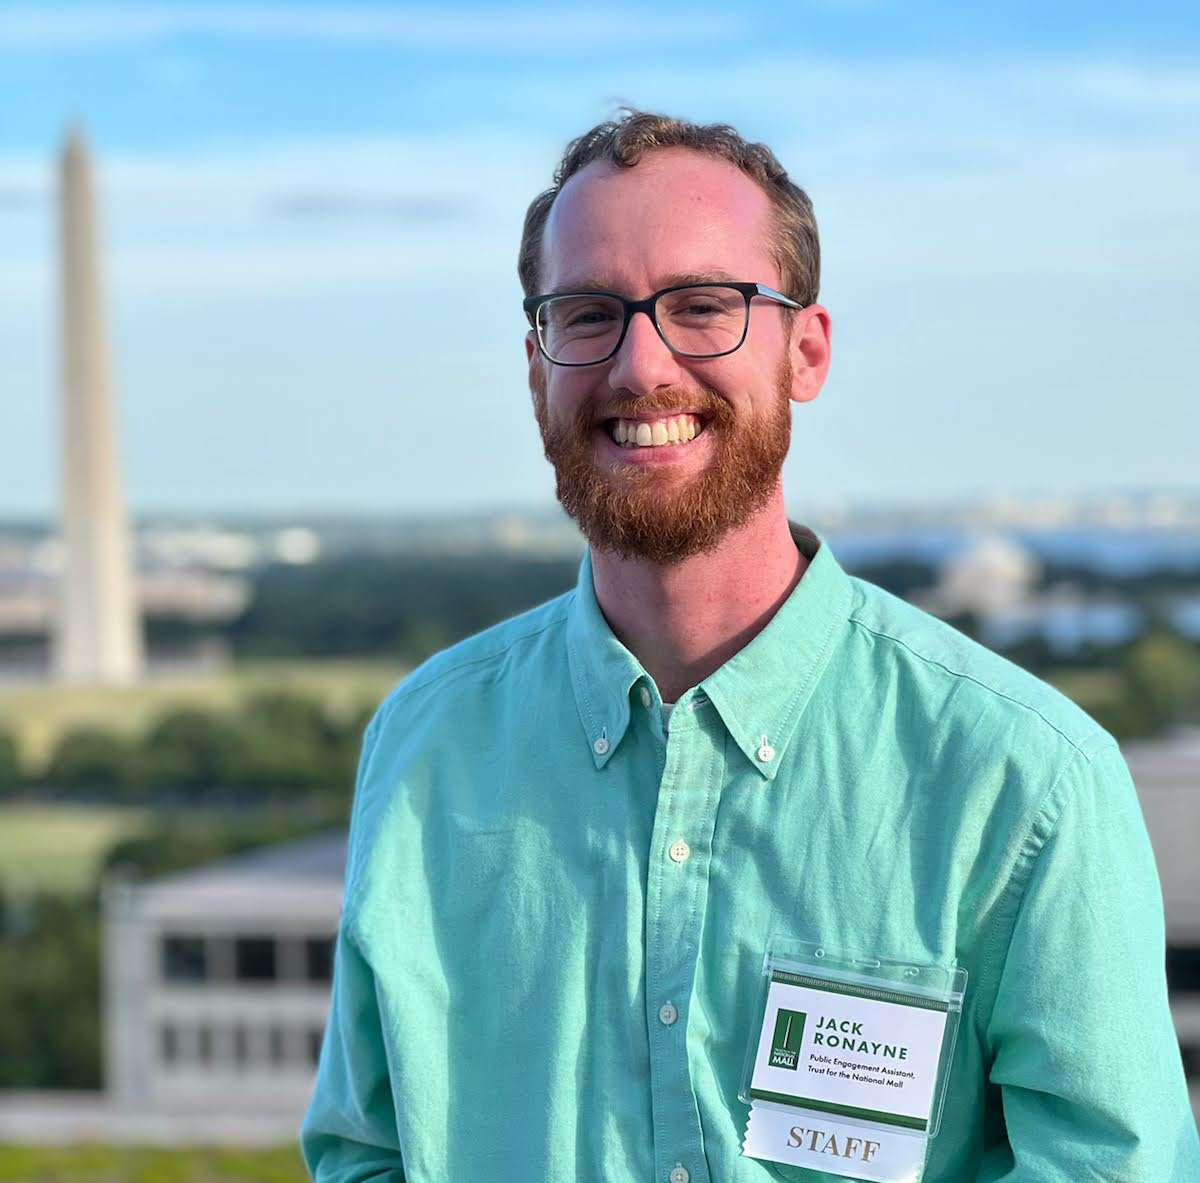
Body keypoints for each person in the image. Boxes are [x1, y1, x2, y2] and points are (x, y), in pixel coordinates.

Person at [300, 111, 1199, 1182]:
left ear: (805, 351)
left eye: (702, 307)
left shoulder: (1026, 782)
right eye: (588, 314)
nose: (642, 364)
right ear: (536, 364)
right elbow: (364, 1153)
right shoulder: (426, 745)